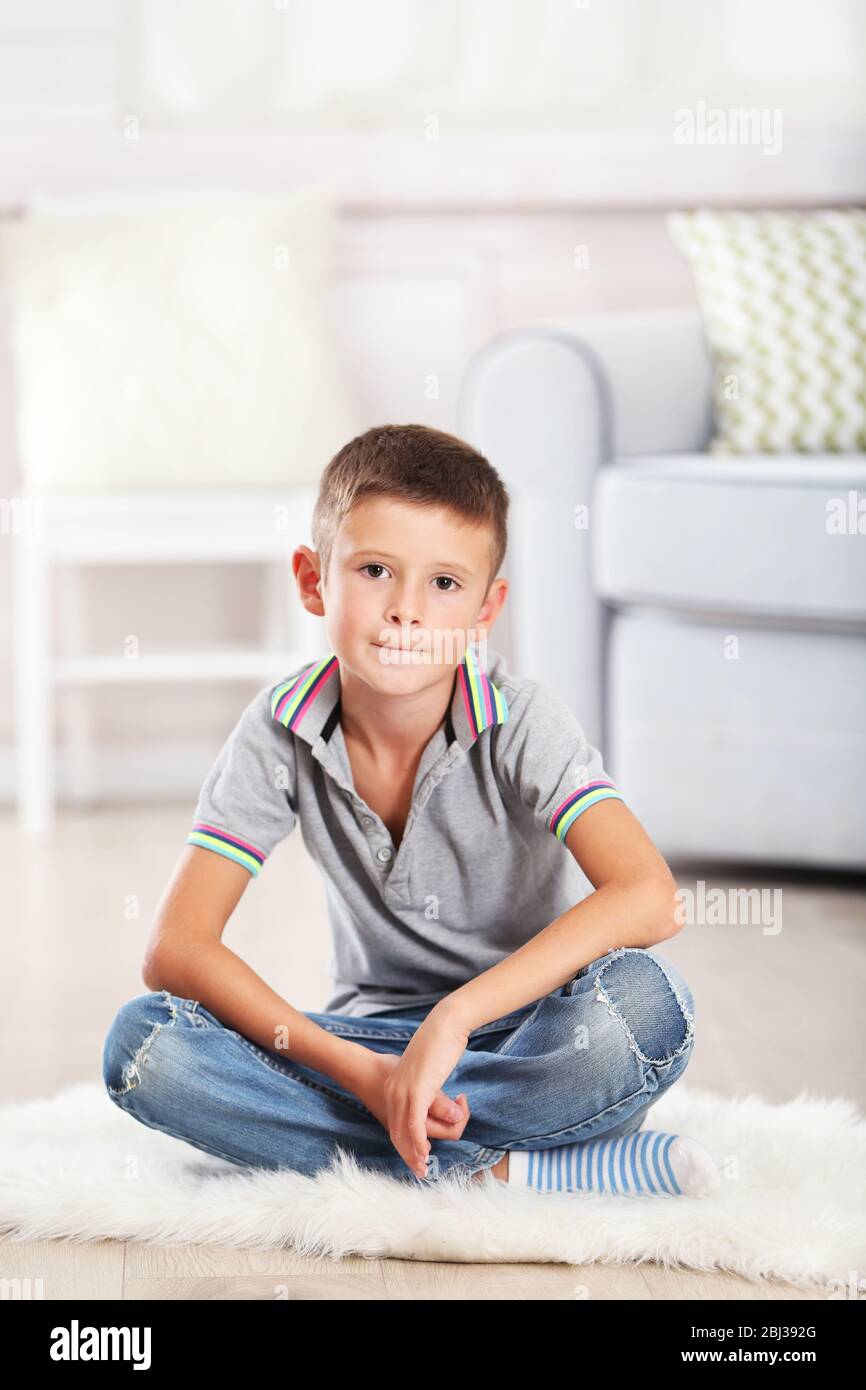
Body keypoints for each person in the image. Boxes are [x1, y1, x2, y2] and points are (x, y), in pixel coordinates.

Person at [102, 423, 720, 1199]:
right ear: (312, 579)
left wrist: (454, 1022)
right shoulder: (277, 730)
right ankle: (506, 1167)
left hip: (524, 1033)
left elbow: (650, 896)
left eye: (444, 584)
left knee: (646, 1007)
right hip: (367, 1044)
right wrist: (366, 1073)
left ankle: (392, 1149)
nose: (405, 612)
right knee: (146, 1044)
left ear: (487, 607)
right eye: (374, 570)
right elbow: (177, 949)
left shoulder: (523, 720)